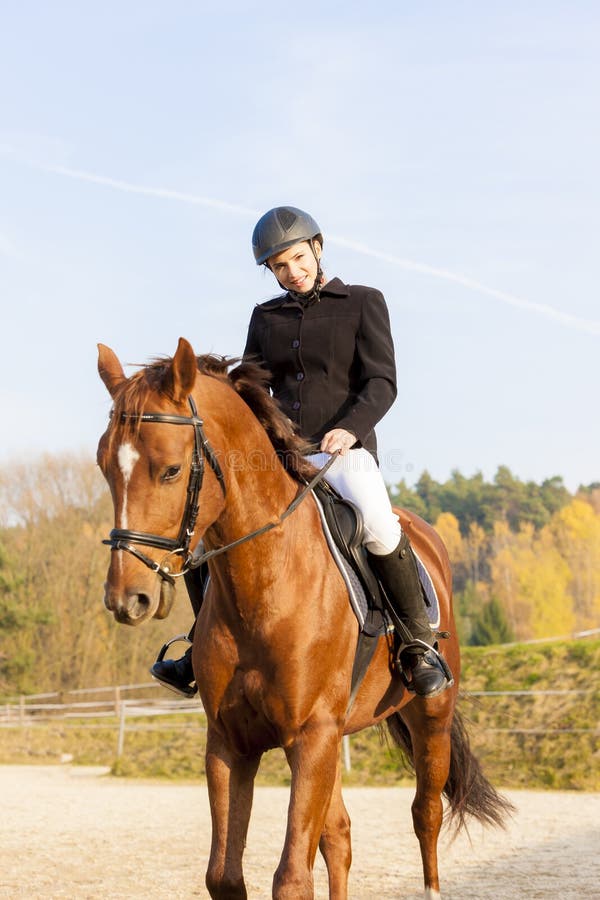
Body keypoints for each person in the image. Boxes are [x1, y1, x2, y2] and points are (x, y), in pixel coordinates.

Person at [151, 206, 452, 699]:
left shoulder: (363, 302)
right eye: (280, 266)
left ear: (317, 247)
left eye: (297, 258)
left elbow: (382, 382)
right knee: (208, 537)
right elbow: (251, 385)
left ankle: (418, 642)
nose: (292, 272)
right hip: (280, 457)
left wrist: (350, 429)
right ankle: (198, 646)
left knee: (377, 520)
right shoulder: (265, 317)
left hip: (343, 452)